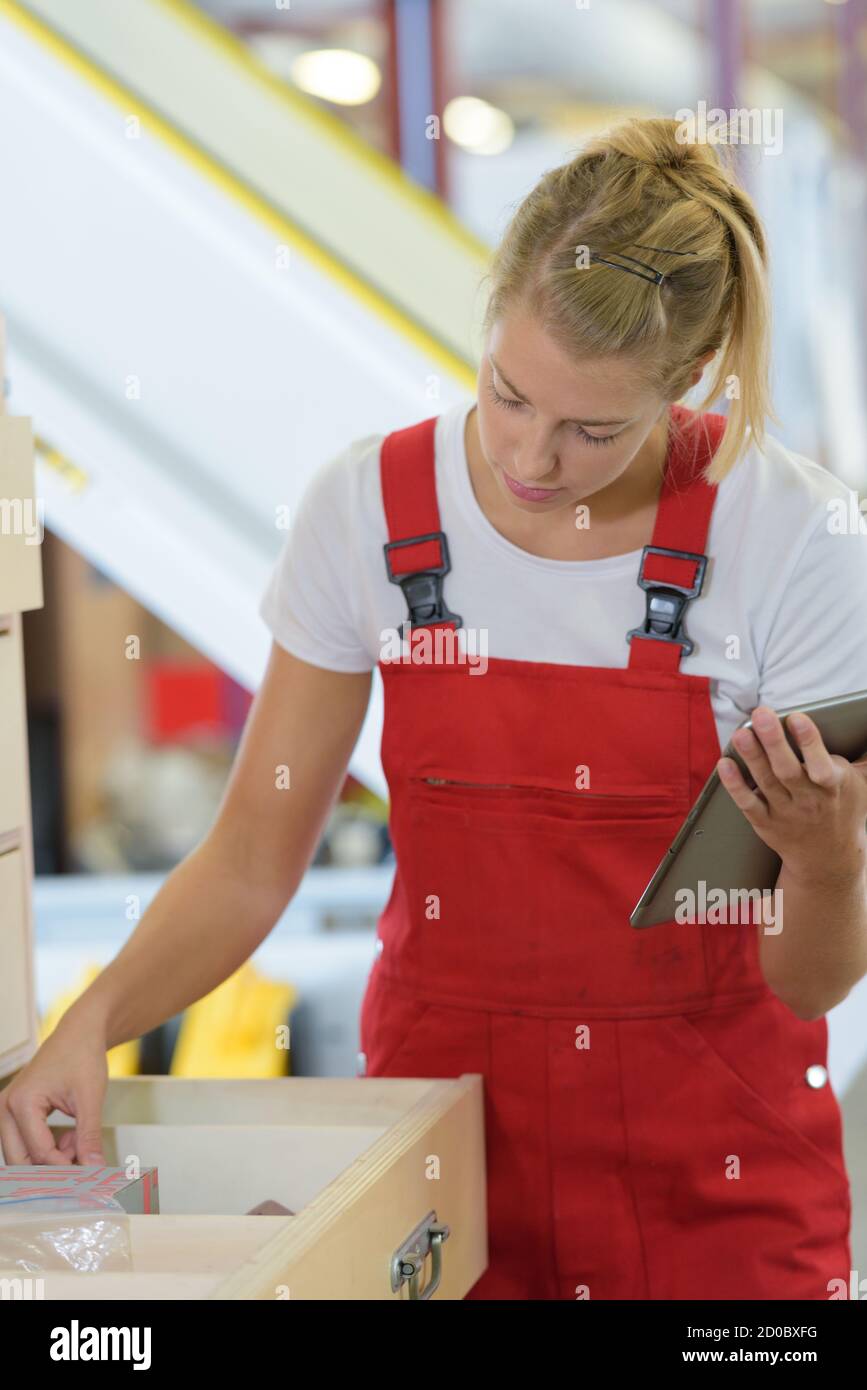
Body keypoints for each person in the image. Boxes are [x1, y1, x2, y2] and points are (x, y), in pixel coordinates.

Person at [3, 115, 867, 1301]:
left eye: (594, 429)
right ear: (490, 314)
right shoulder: (367, 513)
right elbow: (257, 853)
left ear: (691, 382)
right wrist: (86, 1022)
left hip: (716, 1184)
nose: (530, 457)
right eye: (509, 393)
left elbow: (811, 982)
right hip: (446, 1158)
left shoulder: (791, 540)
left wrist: (828, 861)